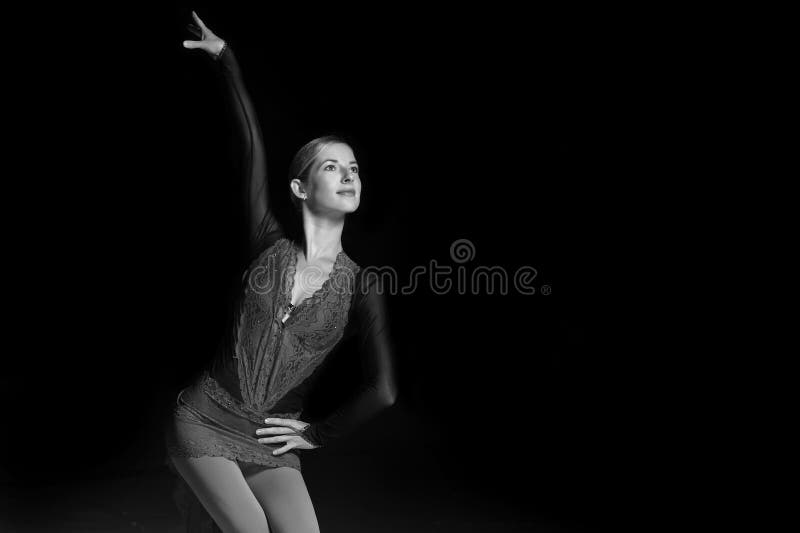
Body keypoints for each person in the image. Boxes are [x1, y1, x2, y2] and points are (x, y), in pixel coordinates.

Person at [163, 11, 398, 533]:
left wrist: (317, 433)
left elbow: (383, 389)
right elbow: (250, 142)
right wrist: (227, 61)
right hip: (202, 419)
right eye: (332, 166)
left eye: (354, 168)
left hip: (268, 443)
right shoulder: (266, 240)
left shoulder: (361, 284)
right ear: (299, 188)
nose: (349, 174)